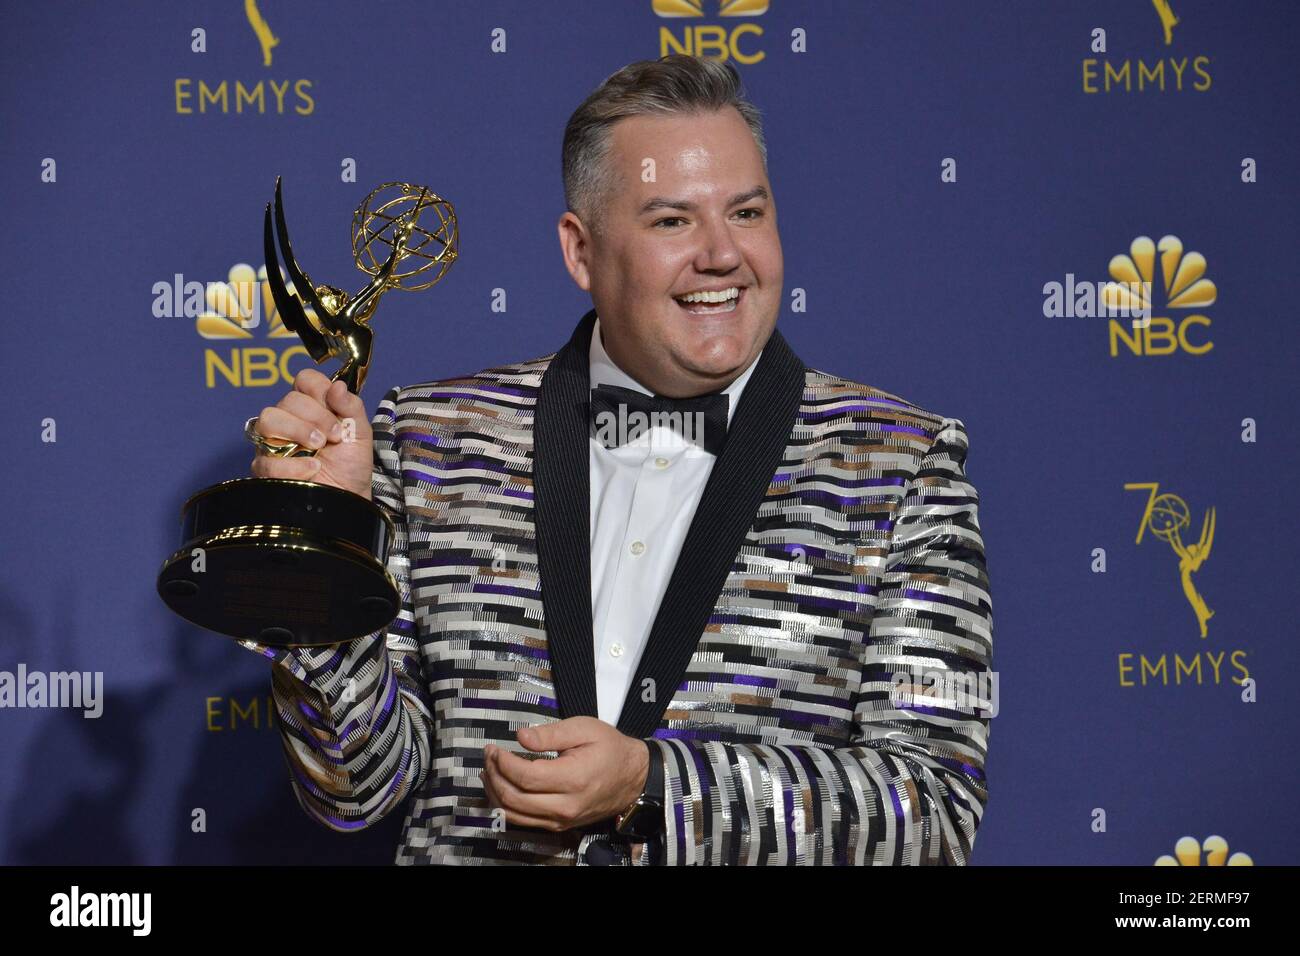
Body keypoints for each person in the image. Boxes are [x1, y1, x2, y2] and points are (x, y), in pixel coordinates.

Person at [242, 54, 993, 866]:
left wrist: (655, 784)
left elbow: (933, 813)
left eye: (746, 213)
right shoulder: (432, 442)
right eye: (672, 221)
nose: (721, 255)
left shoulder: (897, 466)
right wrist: (323, 559)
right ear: (581, 251)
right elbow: (352, 788)